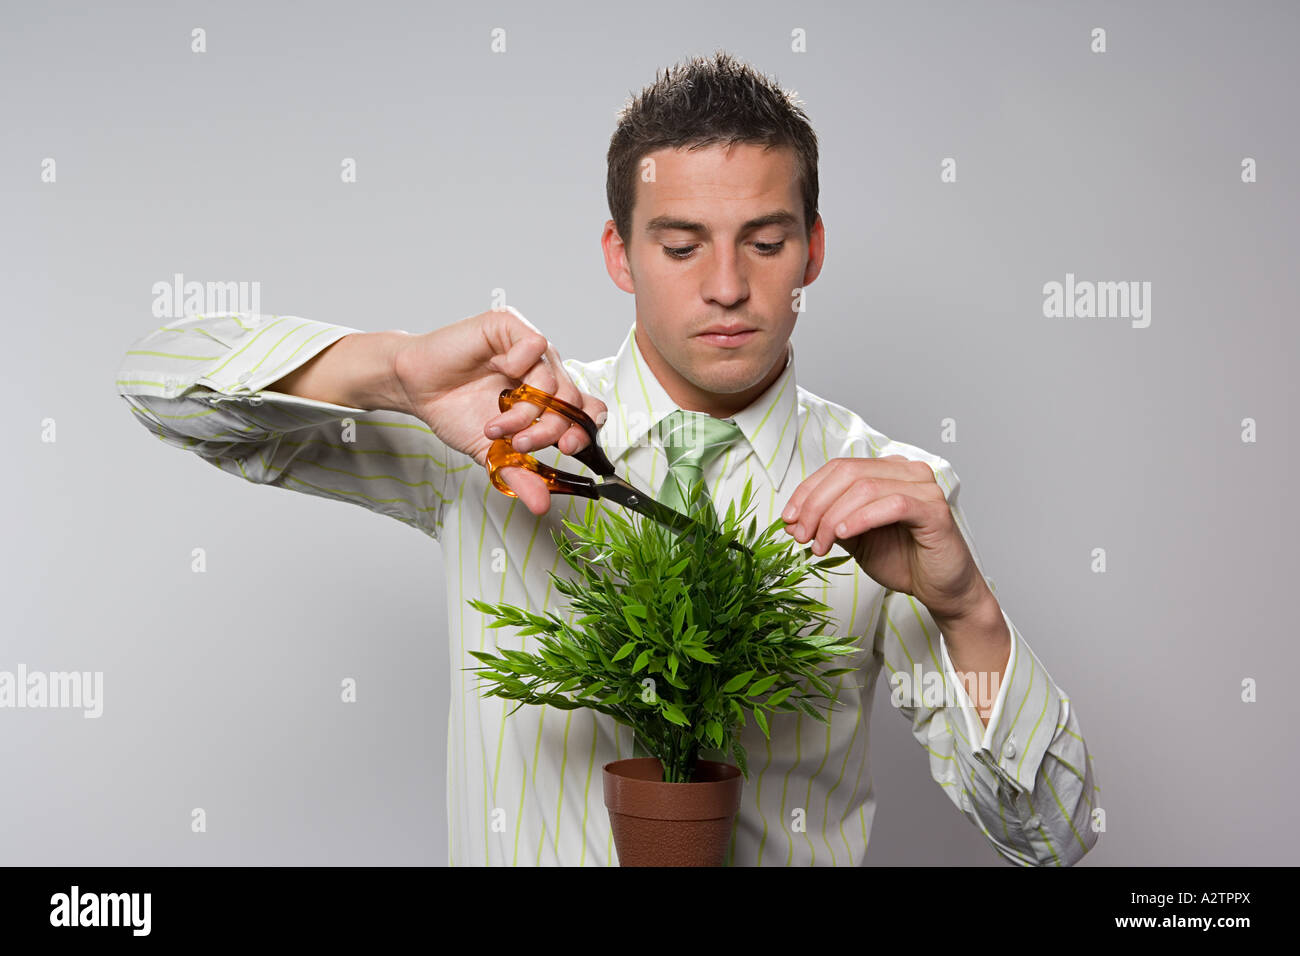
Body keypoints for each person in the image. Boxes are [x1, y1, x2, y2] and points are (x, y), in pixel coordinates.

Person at [115, 50, 1099, 867]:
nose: (726, 285)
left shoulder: (890, 494)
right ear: (619, 253)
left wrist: (970, 613)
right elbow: (159, 384)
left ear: (812, 248)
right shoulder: (496, 432)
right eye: (681, 246)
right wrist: (392, 369)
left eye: (764, 240)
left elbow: (1050, 837)